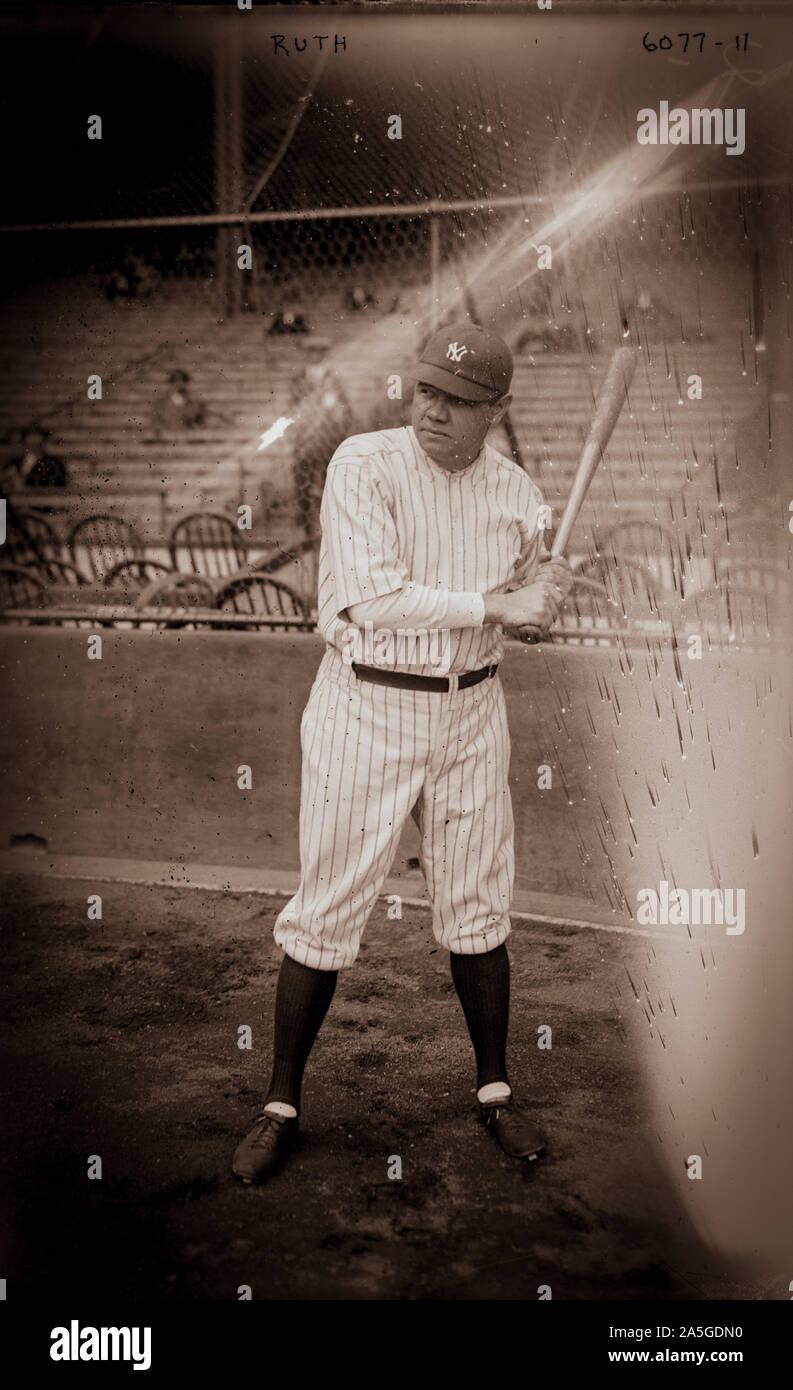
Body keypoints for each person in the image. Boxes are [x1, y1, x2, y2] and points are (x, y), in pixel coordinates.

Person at [232, 323, 573, 1185]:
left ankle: (494, 1091)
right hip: (368, 708)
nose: (434, 411)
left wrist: (538, 605)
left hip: (470, 711)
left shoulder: (519, 493)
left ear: (496, 410)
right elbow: (378, 599)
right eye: (427, 391)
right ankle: (279, 1104)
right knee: (328, 906)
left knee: (476, 904)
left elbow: (521, 609)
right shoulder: (362, 463)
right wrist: (498, 601)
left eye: (459, 402)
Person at [2, 425, 68, 490]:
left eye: (37, 443)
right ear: (24, 442)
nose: (34, 446)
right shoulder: (14, 464)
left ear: (44, 442)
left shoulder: (54, 464)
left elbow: (58, 486)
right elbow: (3, 491)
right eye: (31, 442)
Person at [150, 369, 206, 434]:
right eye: (174, 381)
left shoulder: (196, 406)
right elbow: (156, 425)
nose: (179, 384)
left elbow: (200, 426)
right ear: (169, 384)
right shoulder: (160, 405)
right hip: (167, 441)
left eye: (184, 381)